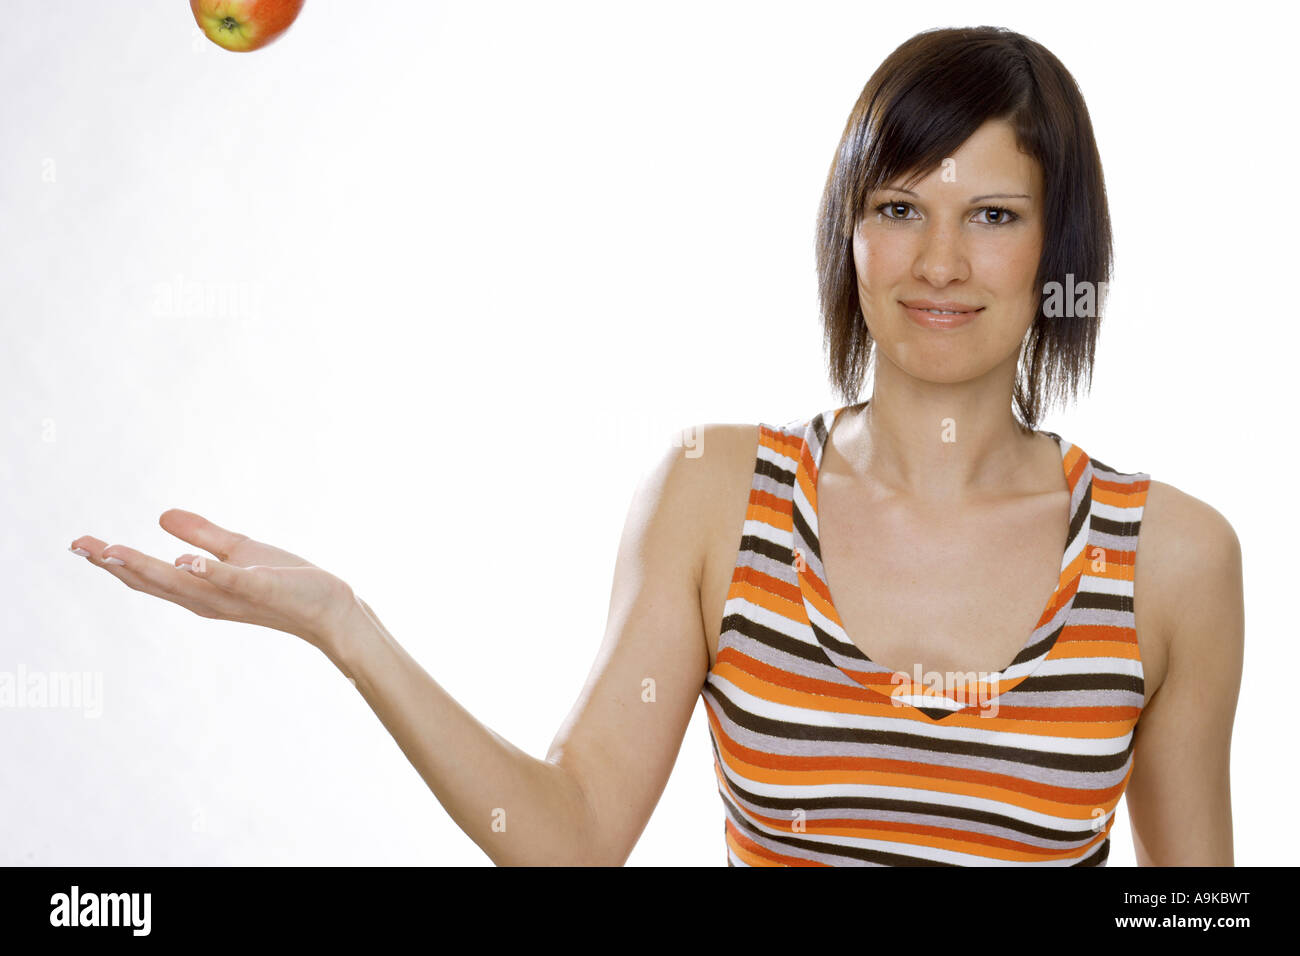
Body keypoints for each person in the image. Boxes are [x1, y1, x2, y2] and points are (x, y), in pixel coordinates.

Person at [68, 25, 1243, 866]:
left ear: (1058, 243)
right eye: (898, 208)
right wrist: (344, 624)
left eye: (992, 215)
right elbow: (570, 837)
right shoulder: (718, 494)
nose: (939, 262)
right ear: (848, 237)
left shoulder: (1171, 558)